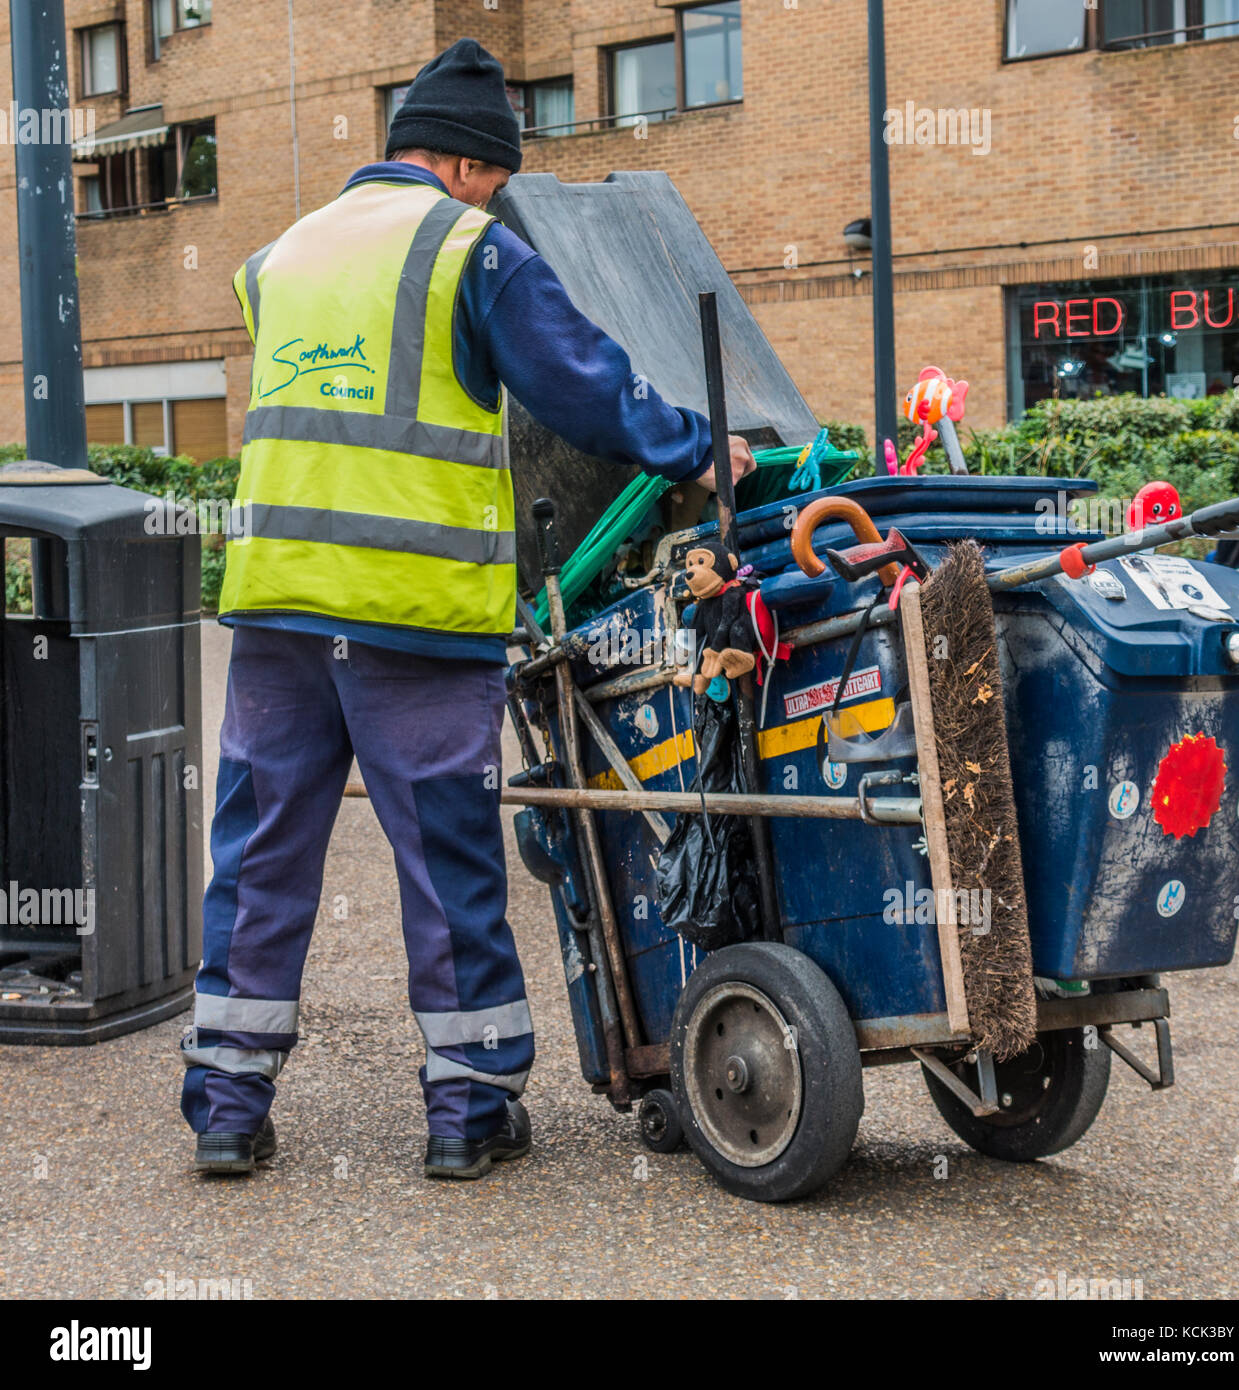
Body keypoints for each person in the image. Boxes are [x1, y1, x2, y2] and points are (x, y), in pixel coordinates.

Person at [180, 36, 755, 1180]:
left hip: (277, 611)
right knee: (447, 859)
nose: (499, 198)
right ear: (469, 167)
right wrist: (701, 449)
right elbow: (584, 384)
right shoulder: (467, 252)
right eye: (498, 180)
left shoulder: (280, 256)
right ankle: (469, 1110)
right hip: (414, 614)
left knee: (260, 851)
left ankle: (227, 1108)